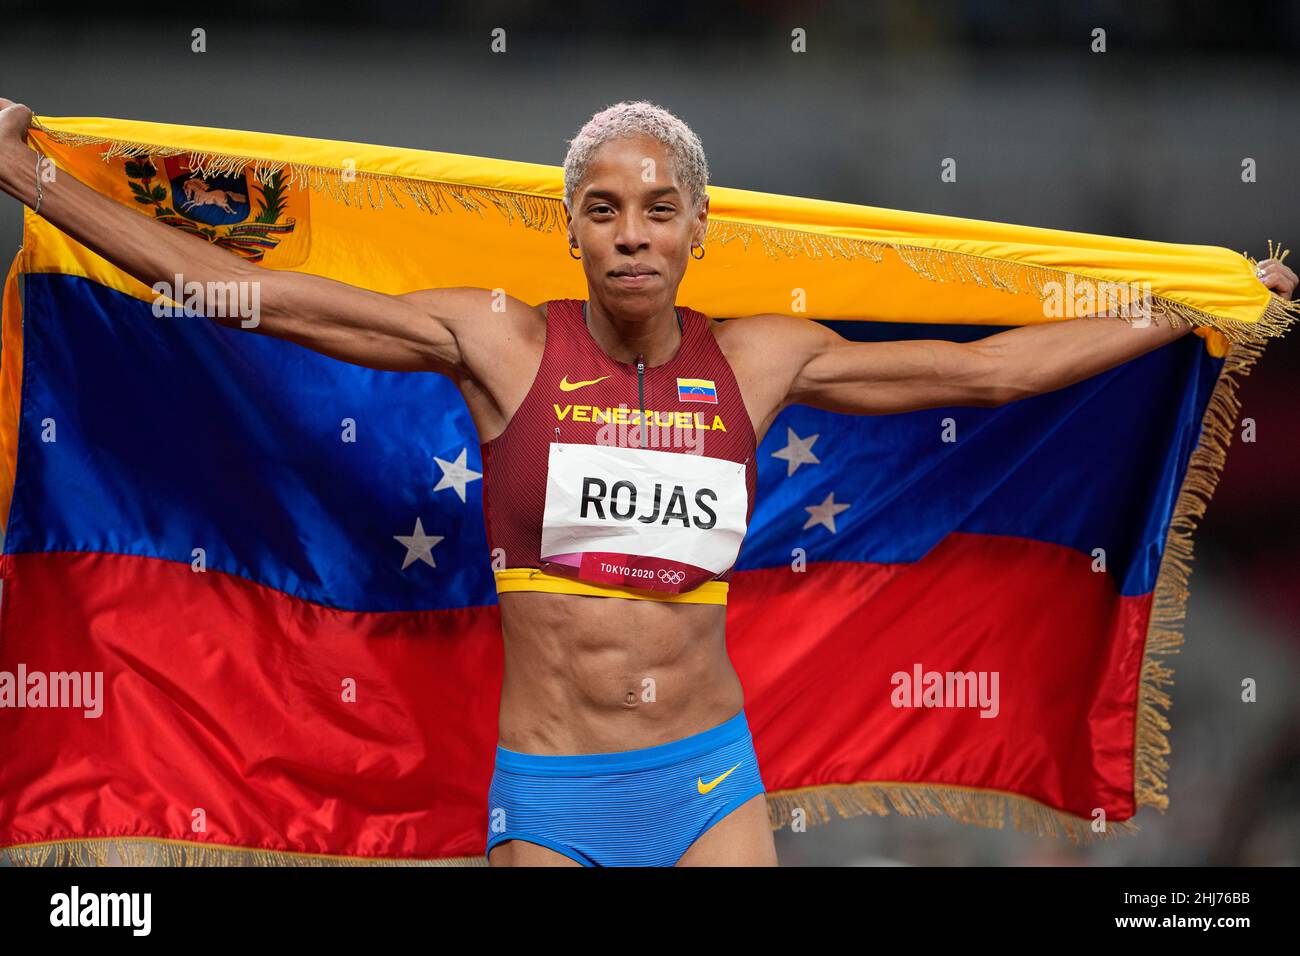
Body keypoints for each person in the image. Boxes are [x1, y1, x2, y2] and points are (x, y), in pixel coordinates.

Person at [0, 97, 1290, 867]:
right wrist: (36, 178)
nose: (632, 233)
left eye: (658, 209)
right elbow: (246, 297)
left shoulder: (760, 360)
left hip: (709, 787)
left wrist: (1187, 313)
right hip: (550, 793)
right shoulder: (501, 342)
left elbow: (995, 377)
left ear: (696, 229)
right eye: (606, 210)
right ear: (573, 227)